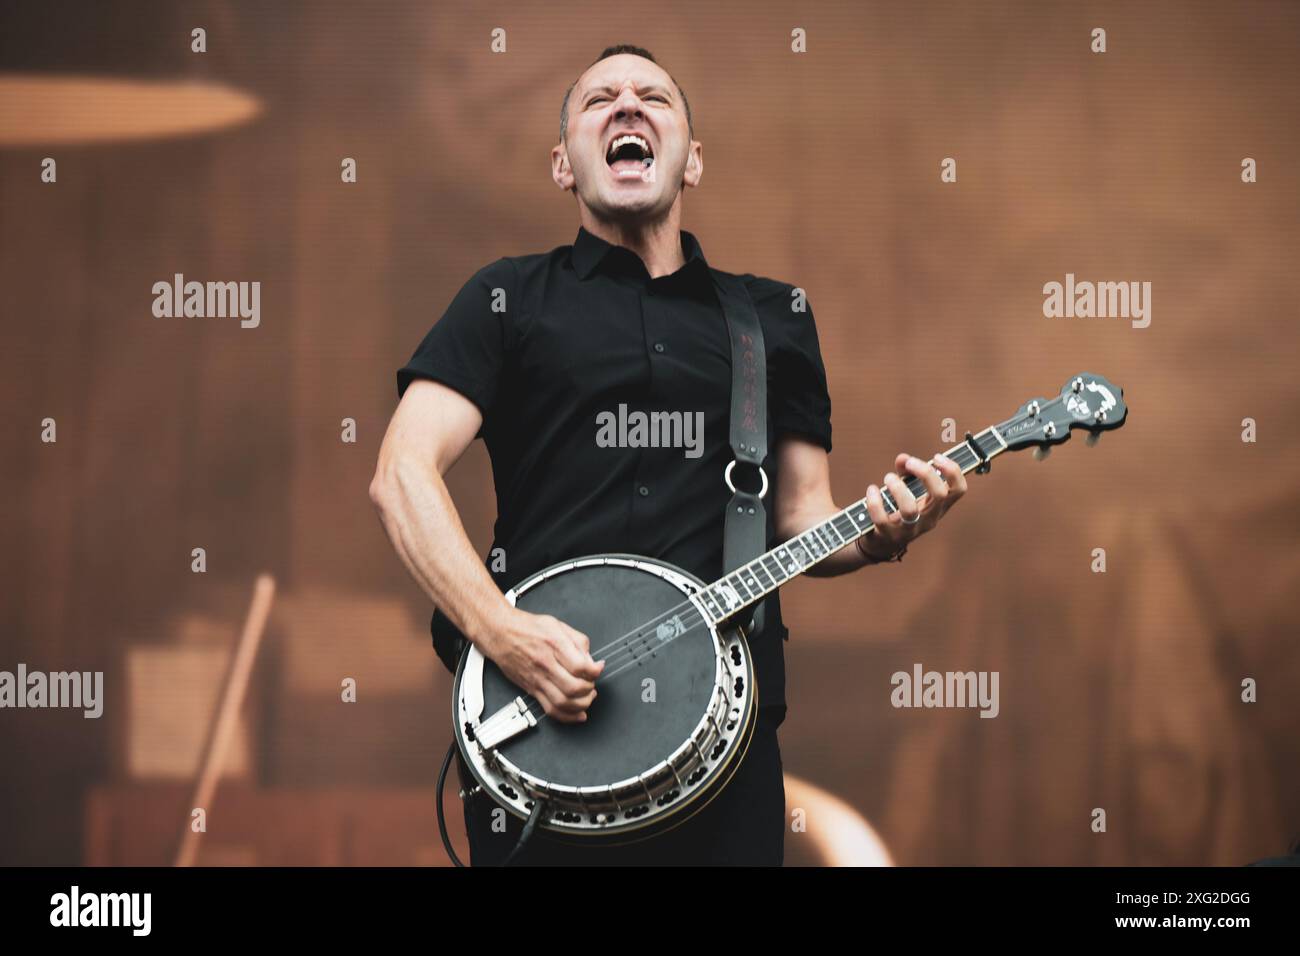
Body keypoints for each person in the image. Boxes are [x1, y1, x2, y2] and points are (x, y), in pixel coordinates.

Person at [369, 44, 968, 865]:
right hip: (546, 747)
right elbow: (403, 473)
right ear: (561, 165)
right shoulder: (505, 300)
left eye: (653, 97)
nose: (626, 107)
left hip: (723, 756)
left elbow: (802, 517)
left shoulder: (771, 319)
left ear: (691, 162)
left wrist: (885, 532)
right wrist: (499, 630)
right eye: (598, 100)